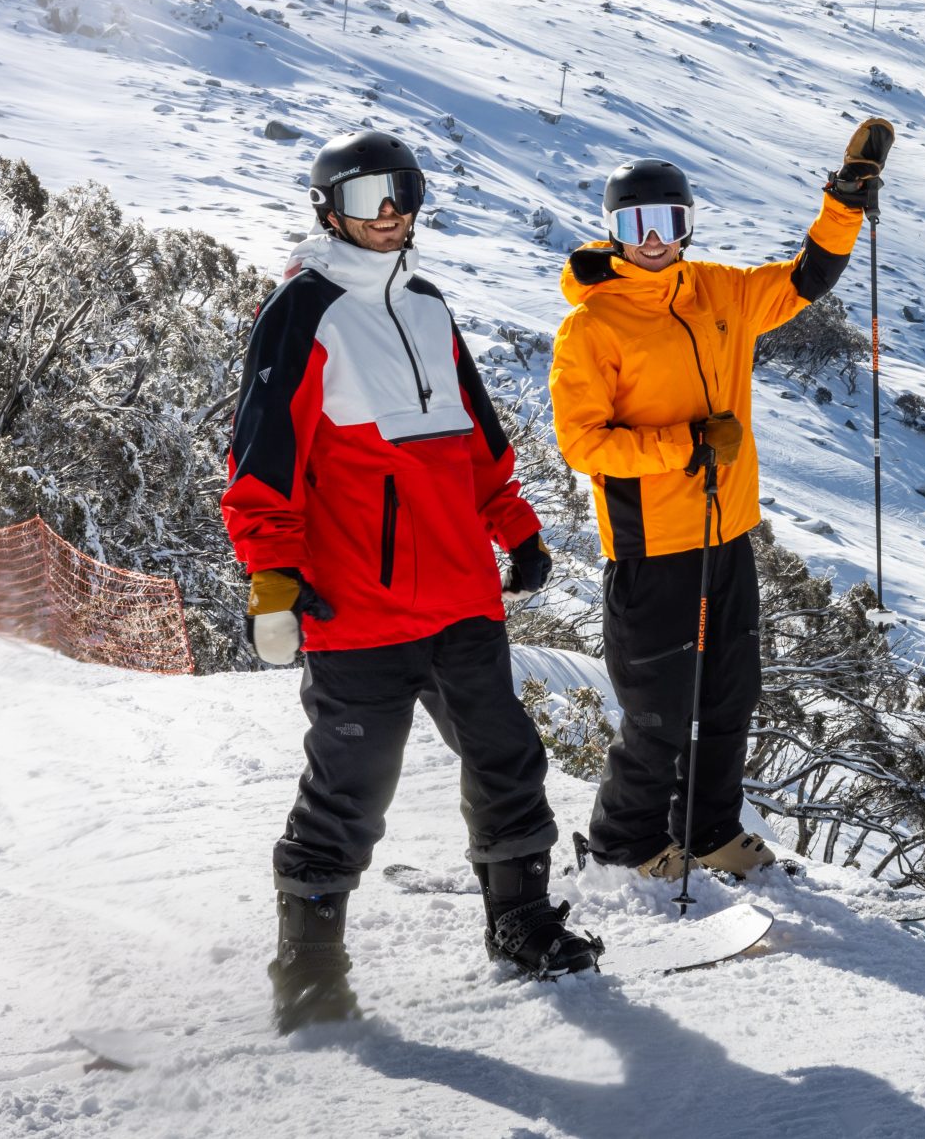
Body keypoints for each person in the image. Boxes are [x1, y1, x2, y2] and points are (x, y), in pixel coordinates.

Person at [225, 130, 601, 1030]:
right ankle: (309, 971)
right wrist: (273, 584)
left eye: (401, 193)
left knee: (508, 760)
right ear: (328, 212)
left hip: (462, 598)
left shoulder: (429, 305)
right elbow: (261, 465)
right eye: (364, 198)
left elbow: (477, 442)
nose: (387, 212)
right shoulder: (303, 312)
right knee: (351, 785)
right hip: (359, 608)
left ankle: (521, 924)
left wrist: (517, 529)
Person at [550, 120, 889, 881]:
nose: (653, 238)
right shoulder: (592, 325)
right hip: (652, 547)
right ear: (611, 231)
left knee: (729, 696)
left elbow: (807, 277)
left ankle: (707, 830)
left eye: (667, 222)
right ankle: (624, 844)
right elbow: (583, 444)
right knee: (660, 710)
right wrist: (687, 445)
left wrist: (844, 202)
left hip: (727, 534)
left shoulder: (721, 292)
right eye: (634, 224)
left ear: (687, 223)